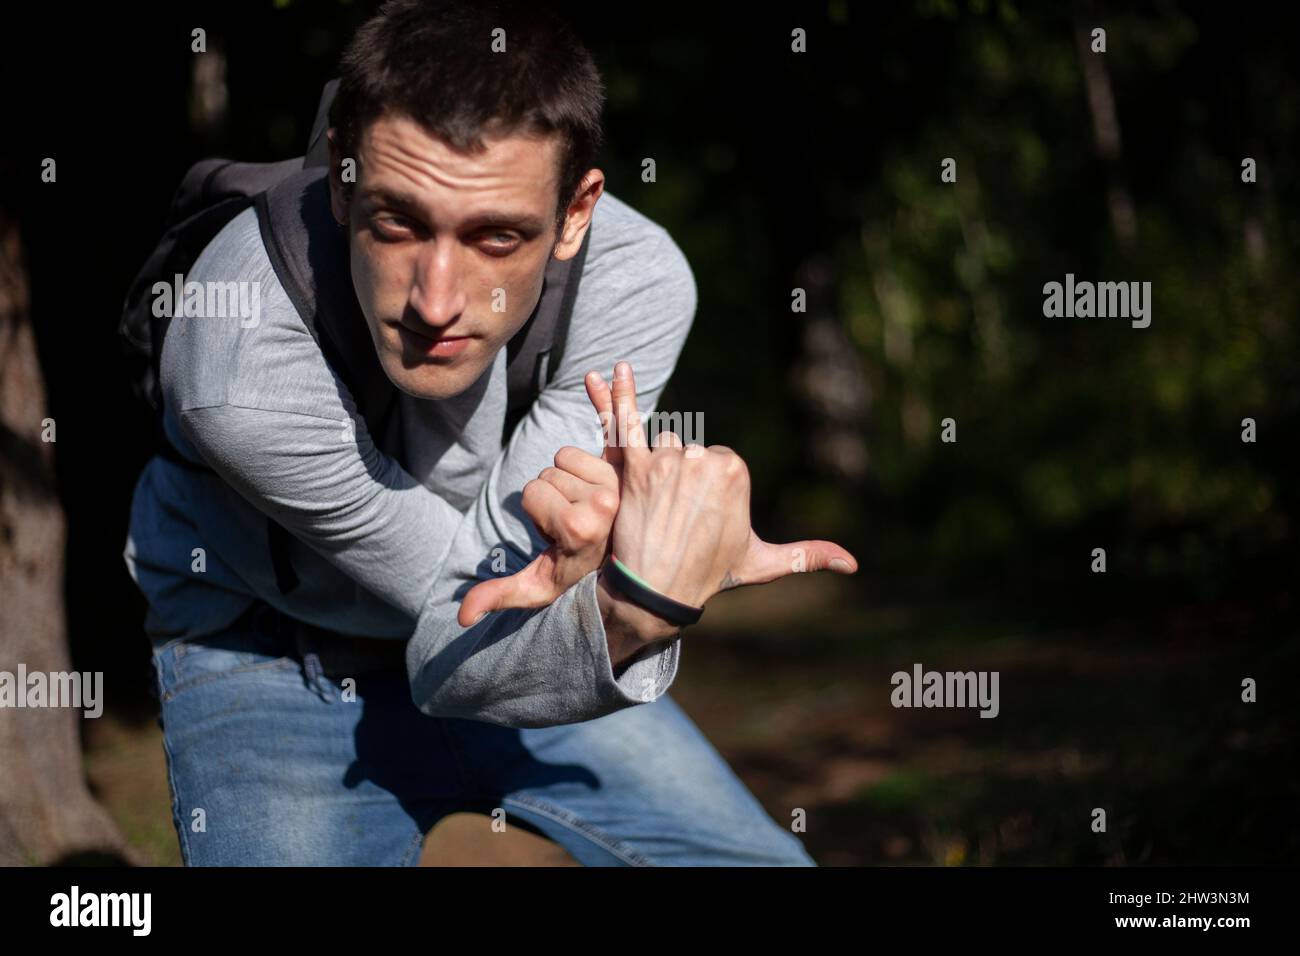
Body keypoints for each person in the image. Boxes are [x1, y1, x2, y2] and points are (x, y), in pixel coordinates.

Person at [124, 0, 857, 866]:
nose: (436, 302)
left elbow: (481, 613)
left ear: (577, 210)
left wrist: (603, 598)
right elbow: (458, 628)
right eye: (398, 222)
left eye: (497, 236)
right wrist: (633, 606)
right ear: (340, 174)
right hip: (267, 645)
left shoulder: (634, 279)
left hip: (510, 625)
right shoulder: (237, 366)